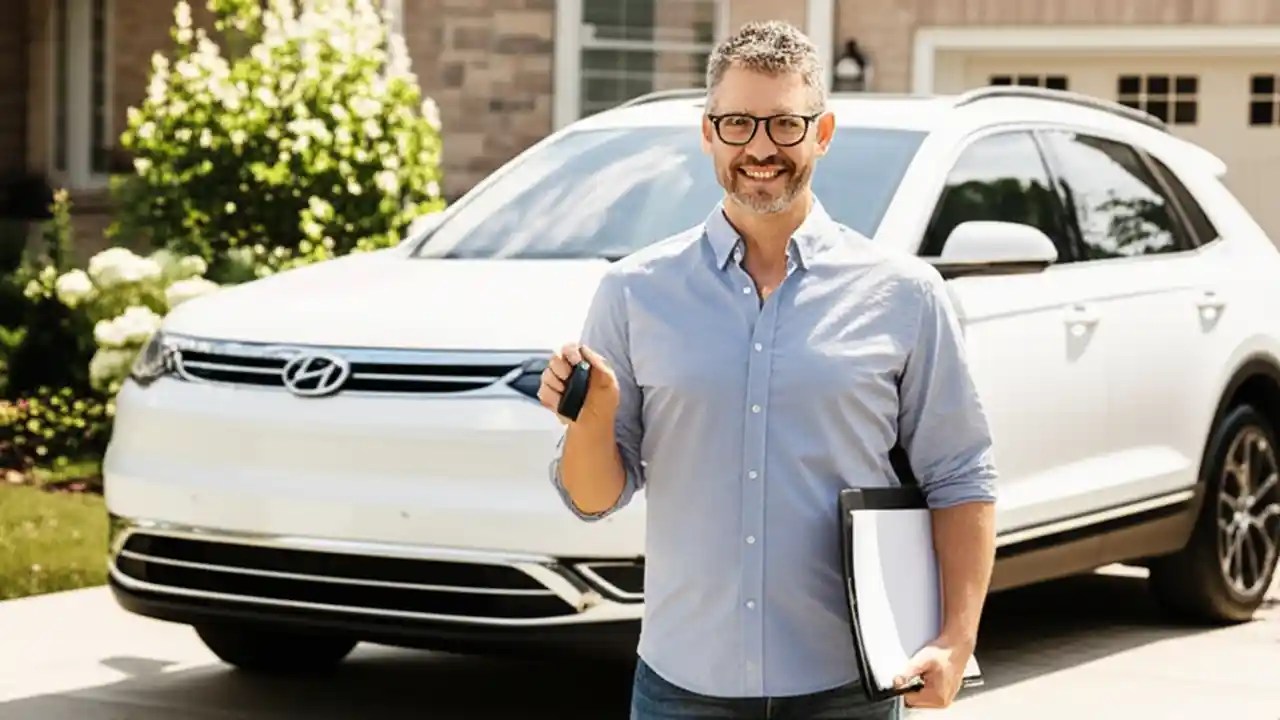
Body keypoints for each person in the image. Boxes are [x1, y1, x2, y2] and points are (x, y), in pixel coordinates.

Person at [538, 20, 998, 720]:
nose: (760, 147)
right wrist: (591, 422)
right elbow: (593, 497)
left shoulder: (905, 295)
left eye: (785, 124)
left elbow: (961, 474)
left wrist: (955, 641)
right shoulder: (633, 293)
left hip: (848, 690)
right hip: (681, 689)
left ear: (823, 132)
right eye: (738, 123)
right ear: (708, 132)